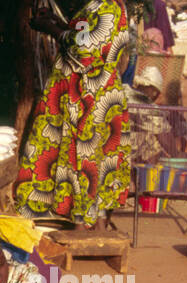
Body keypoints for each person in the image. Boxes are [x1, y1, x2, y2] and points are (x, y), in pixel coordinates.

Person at [15, 0, 133, 229]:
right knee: (87, 159)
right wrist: (58, 22)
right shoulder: (98, 5)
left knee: (85, 160)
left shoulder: (109, 6)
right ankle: (88, 224)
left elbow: (87, 49)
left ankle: (85, 229)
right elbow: (84, 35)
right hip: (85, 93)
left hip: (91, 97)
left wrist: (52, 30)